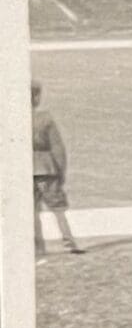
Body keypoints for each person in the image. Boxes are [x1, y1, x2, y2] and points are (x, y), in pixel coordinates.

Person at [32, 80, 83, 260]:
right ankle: (70, 243)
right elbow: (58, 149)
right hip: (46, 168)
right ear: (36, 97)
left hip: (25, 170)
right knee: (58, 209)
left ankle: (38, 249)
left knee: (32, 212)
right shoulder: (45, 118)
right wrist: (61, 173)